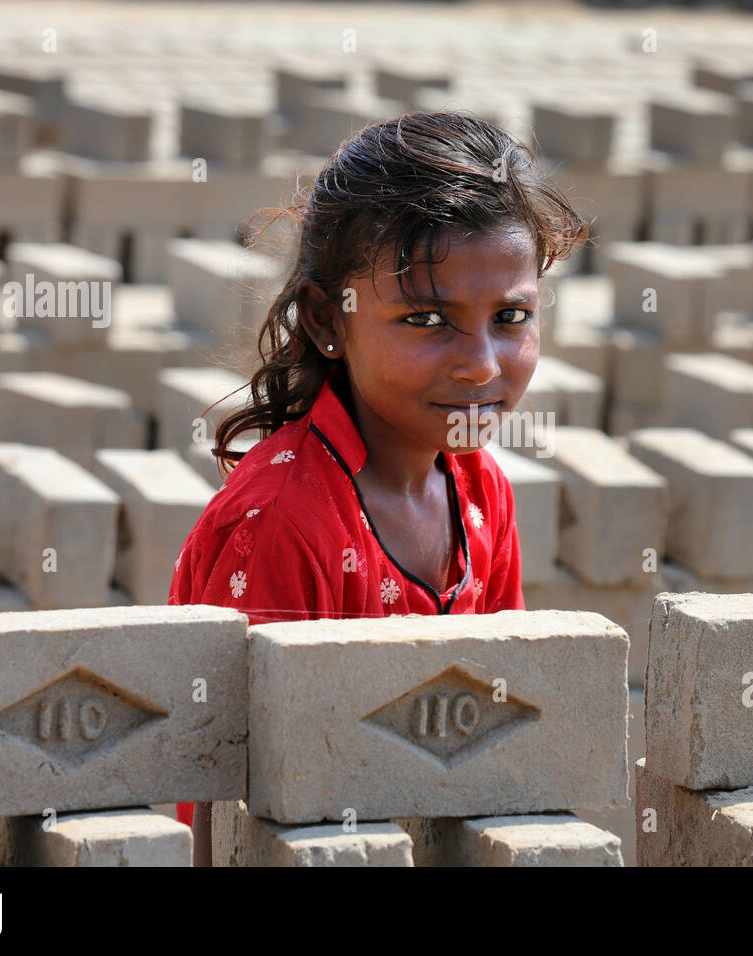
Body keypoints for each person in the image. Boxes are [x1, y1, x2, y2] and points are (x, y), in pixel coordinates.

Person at [166, 110, 590, 862]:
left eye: (511, 317)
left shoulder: (481, 491)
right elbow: (230, 823)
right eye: (428, 318)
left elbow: (500, 733)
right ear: (330, 322)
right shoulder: (285, 523)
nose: (483, 364)